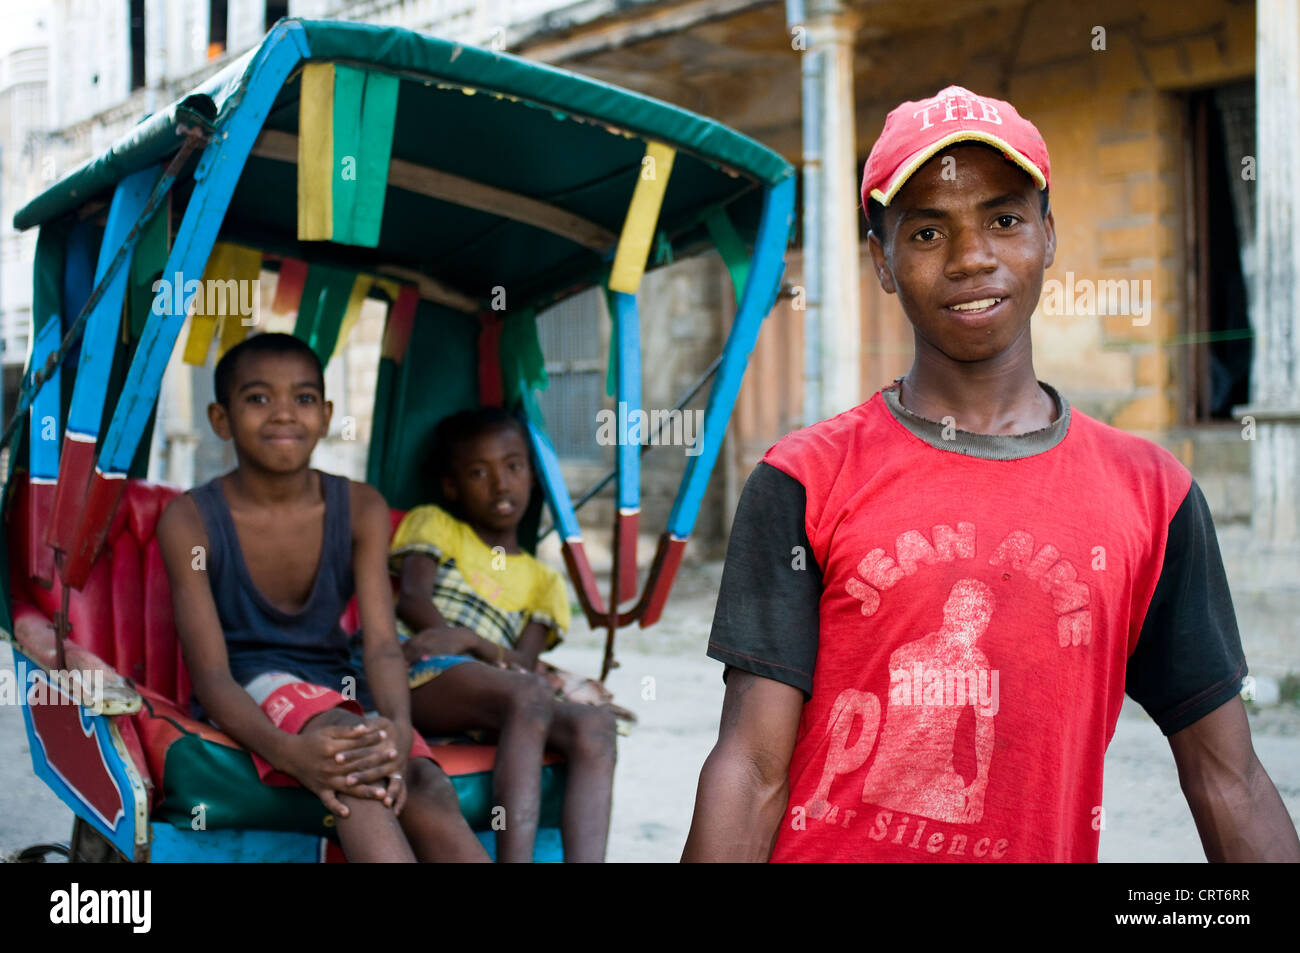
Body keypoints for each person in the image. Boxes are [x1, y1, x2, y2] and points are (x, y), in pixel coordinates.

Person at [683, 85, 1300, 863]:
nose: (971, 256)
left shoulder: (1153, 493)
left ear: (1048, 236)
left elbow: (1228, 777)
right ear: (883, 260)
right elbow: (753, 767)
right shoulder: (805, 479)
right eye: (929, 230)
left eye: (1003, 219)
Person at [156, 332, 489, 862]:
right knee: (354, 761)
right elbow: (212, 677)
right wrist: (290, 753)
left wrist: (400, 730)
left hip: (339, 682)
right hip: (253, 686)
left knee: (429, 786)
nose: (284, 414)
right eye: (259, 398)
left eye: (304, 398)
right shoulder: (191, 519)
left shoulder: (360, 506)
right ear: (220, 418)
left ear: (328, 413)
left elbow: (381, 645)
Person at [390, 407, 618, 863]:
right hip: (419, 675)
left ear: (531, 476)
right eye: (479, 472)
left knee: (597, 725)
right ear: (452, 486)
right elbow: (412, 600)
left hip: (500, 690)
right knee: (525, 693)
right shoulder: (436, 525)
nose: (500, 484)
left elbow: (522, 664)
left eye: (513, 467)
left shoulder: (544, 582)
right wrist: (460, 649)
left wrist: (472, 644)